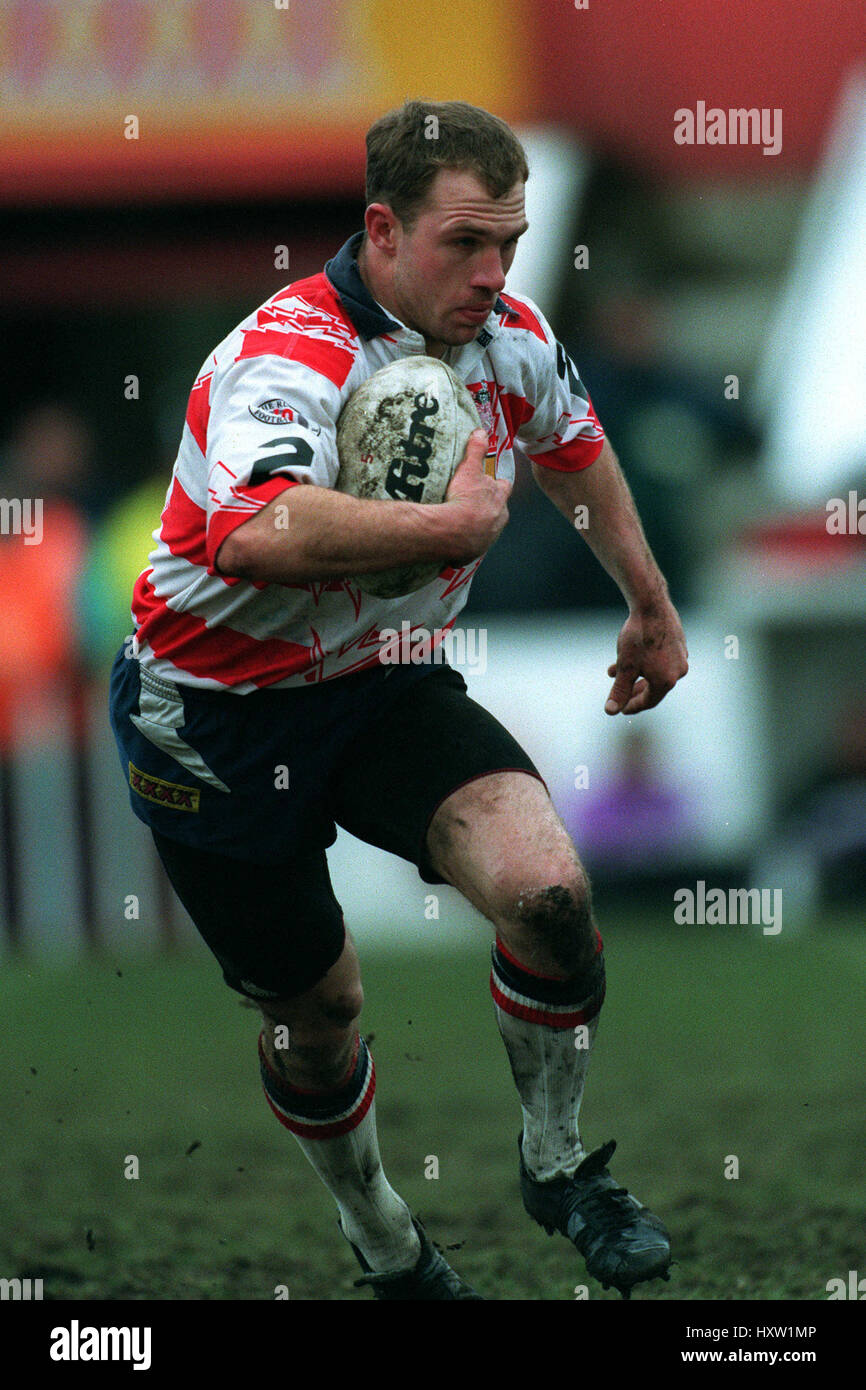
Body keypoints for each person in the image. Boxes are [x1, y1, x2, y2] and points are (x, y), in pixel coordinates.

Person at [109, 99, 688, 1300]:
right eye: (465, 243)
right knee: (317, 1011)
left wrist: (646, 597)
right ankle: (383, 1241)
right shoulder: (286, 352)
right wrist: (454, 523)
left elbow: (571, 441)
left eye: (512, 243)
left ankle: (558, 1167)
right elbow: (258, 531)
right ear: (381, 228)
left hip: (377, 683)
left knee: (547, 895)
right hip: (211, 714)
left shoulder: (508, 337)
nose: (493, 273)